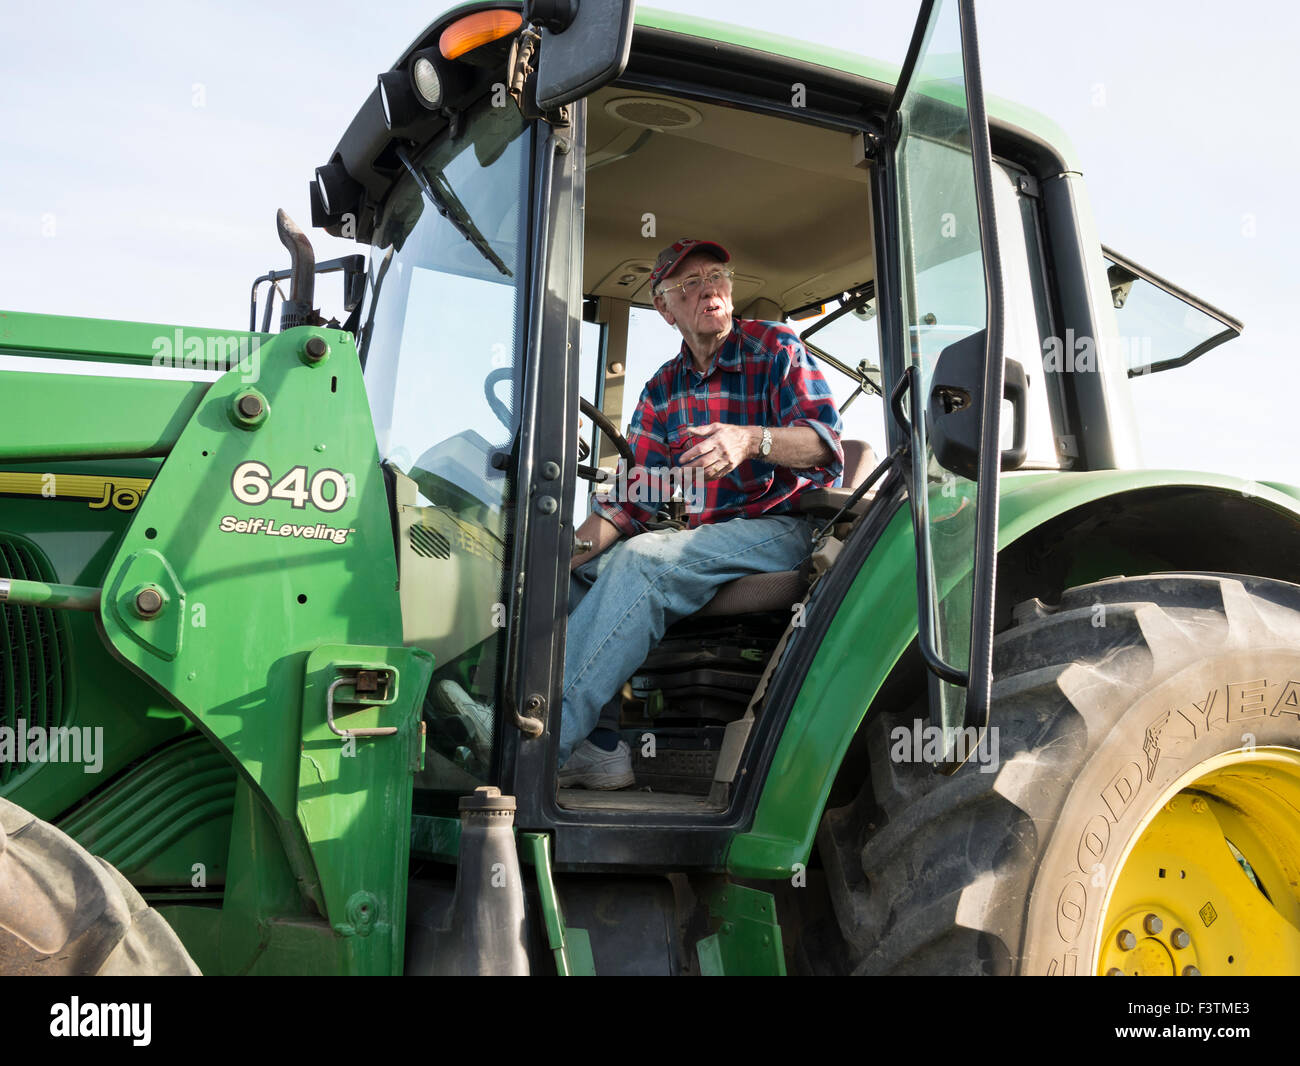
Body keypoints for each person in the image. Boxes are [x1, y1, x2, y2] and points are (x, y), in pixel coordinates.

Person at [559, 238, 844, 788]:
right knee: (572, 576)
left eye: (716, 275)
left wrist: (752, 440)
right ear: (665, 308)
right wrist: (564, 555)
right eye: (689, 283)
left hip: (786, 527)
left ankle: (539, 738)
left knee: (643, 560)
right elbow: (629, 500)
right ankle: (598, 748)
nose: (709, 287)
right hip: (709, 539)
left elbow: (826, 446)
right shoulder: (662, 390)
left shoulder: (776, 349)